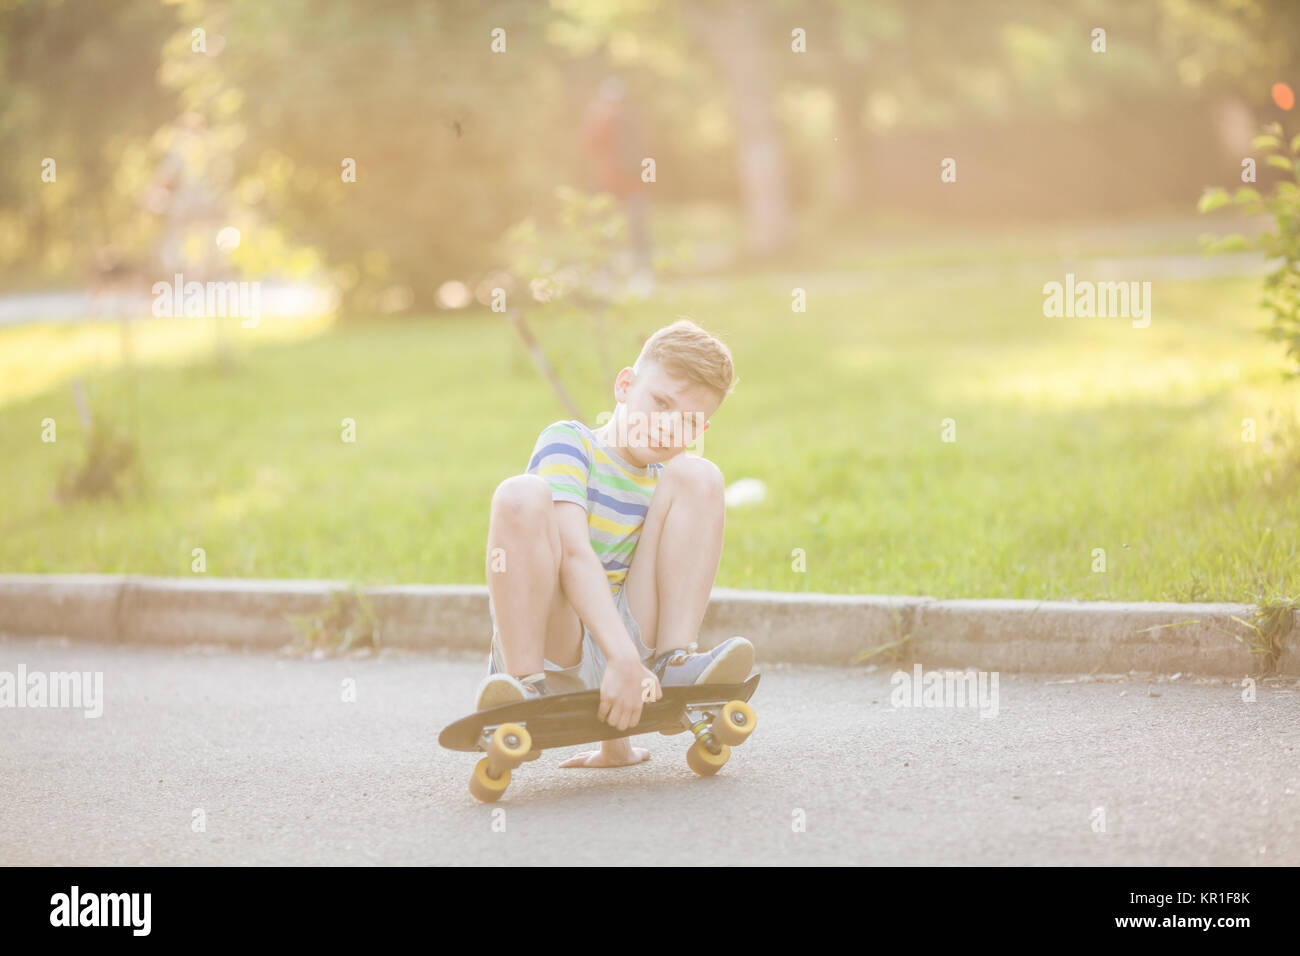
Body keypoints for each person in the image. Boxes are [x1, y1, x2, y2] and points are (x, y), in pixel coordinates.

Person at [476, 319, 754, 768]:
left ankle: (673, 660)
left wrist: (616, 745)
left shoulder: (672, 483)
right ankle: (526, 687)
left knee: (700, 475)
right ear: (625, 385)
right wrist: (622, 659)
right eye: (660, 402)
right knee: (520, 494)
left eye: (689, 422)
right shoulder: (571, 444)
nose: (668, 428)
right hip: (555, 645)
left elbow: (632, 599)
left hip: (634, 656)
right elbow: (573, 555)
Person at [580, 75, 656, 295]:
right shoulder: (599, 120)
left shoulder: (631, 120)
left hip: (632, 185)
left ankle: (642, 277)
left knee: (637, 231)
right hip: (608, 185)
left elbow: (643, 151)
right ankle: (605, 276)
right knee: (606, 232)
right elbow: (590, 145)